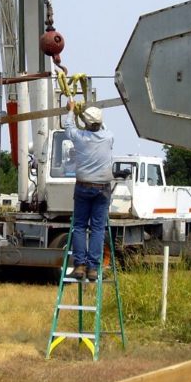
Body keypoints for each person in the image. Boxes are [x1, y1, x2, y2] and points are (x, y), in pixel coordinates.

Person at [64, 100, 114, 282]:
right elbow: (103, 127)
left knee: (79, 226)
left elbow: (67, 127)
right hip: (102, 188)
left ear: (85, 123)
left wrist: (71, 111)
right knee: (98, 229)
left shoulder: (79, 137)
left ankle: (79, 265)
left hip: (83, 186)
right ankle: (93, 268)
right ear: (100, 123)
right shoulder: (108, 137)